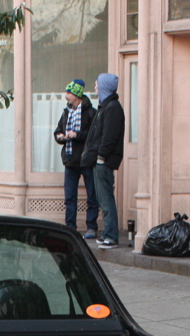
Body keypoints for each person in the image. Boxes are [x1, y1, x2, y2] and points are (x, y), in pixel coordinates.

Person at [81, 73, 125, 249]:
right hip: (100, 160)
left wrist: (101, 156)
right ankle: (108, 233)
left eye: (97, 84)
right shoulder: (105, 107)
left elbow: (109, 136)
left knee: (106, 199)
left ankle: (111, 236)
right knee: (102, 198)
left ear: (104, 86)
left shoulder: (112, 108)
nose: (95, 87)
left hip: (104, 161)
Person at [53, 79, 98, 239]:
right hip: (70, 159)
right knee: (70, 197)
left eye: (69, 92)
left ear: (77, 95)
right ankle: (70, 227)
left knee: (92, 195)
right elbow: (58, 130)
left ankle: (91, 226)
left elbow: (94, 136)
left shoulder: (91, 113)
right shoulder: (66, 112)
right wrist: (60, 136)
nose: (66, 95)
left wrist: (77, 135)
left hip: (86, 160)